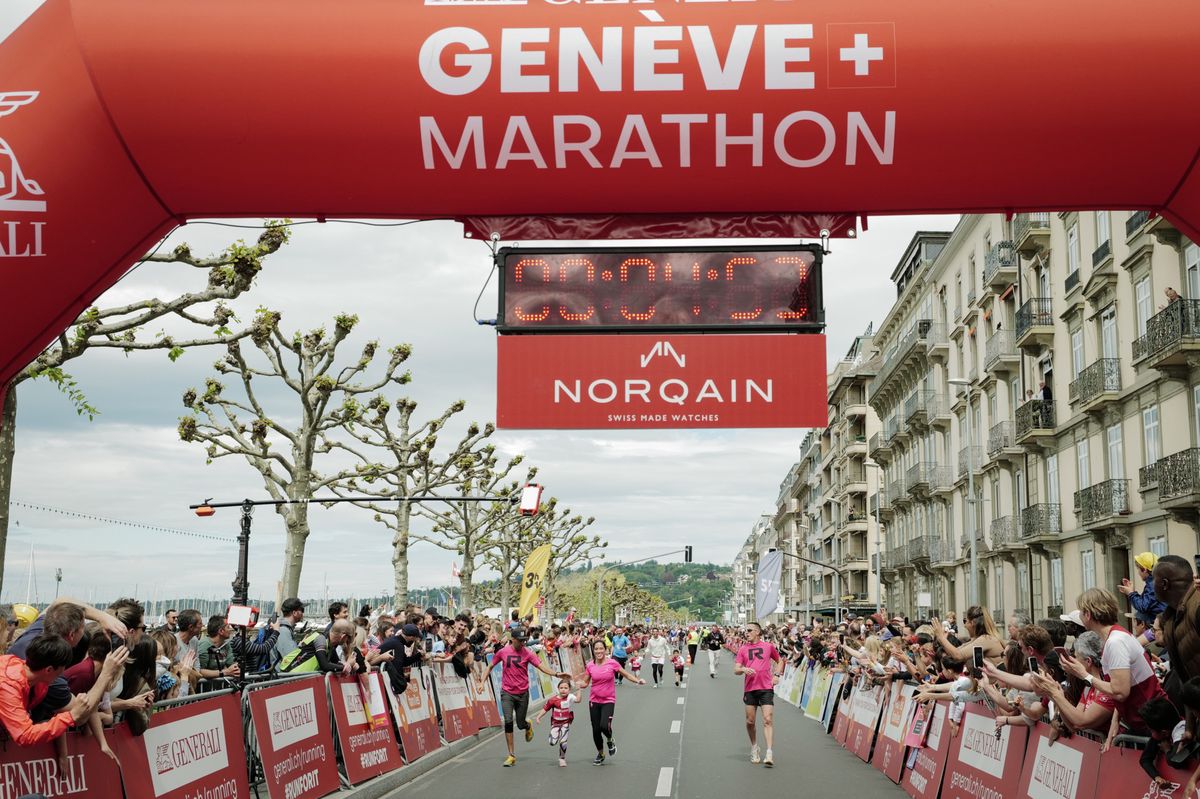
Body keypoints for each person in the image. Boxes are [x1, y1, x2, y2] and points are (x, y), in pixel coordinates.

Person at [1059, 588, 1166, 732]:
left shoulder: (1115, 642)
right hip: (1149, 718)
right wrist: (1116, 721)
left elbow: (1120, 692)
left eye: (1080, 612)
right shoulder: (1115, 637)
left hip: (1153, 722)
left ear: (1088, 614)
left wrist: (1084, 675)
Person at [476, 627, 568, 767]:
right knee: (507, 721)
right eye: (520, 641)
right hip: (507, 692)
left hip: (522, 693)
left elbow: (541, 666)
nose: (523, 643)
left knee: (520, 724)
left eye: (525, 641)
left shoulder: (528, 653)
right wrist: (482, 682)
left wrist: (556, 674)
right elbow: (489, 667)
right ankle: (511, 755)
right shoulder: (503, 652)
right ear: (513, 640)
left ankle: (527, 725)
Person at [0, 635, 113, 746]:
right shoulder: (8, 687)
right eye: (62, 668)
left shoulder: (33, 676)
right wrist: (71, 716)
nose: (63, 672)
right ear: (49, 670)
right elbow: (24, 735)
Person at [574, 638, 644, 766]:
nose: (599, 651)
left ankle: (610, 739)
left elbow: (626, 674)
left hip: (608, 700)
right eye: (596, 649)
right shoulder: (590, 665)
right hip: (594, 701)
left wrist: (637, 680)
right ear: (593, 651)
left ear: (605, 650)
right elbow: (585, 682)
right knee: (595, 730)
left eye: (601, 648)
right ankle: (601, 754)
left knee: (604, 725)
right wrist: (579, 684)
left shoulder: (612, 663)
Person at [734, 622, 782, 767]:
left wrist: (777, 674)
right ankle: (754, 747)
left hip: (766, 687)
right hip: (750, 688)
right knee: (750, 721)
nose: (746, 633)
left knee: (768, 719)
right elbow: (736, 669)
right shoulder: (743, 649)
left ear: (757, 632)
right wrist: (743, 670)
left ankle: (769, 752)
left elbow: (780, 661)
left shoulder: (768, 647)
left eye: (749, 630)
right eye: (745, 630)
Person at [1154, 555, 1200, 688]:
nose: (1152, 584)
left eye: (1154, 579)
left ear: (1164, 584)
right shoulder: (1172, 613)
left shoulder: (1197, 608)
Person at [930, 606, 1004, 665]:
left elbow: (958, 656)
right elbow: (954, 653)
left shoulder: (986, 639)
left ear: (972, 623)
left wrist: (941, 638)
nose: (965, 625)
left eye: (965, 621)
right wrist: (943, 640)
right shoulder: (979, 639)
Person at [534, 678, 582, 767]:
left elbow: (578, 700)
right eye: (561, 688)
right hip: (555, 723)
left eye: (566, 688)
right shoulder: (552, 700)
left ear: (569, 689)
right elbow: (545, 709)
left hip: (565, 722)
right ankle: (555, 735)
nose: (563, 690)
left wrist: (579, 689)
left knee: (563, 742)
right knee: (552, 742)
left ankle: (562, 758)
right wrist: (538, 717)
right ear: (558, 689)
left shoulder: (570, 697)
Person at [1121, 552, 1168, 625]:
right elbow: (1147, 602)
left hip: (1162, 625)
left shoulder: (1153, 584)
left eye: (1138, 569)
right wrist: (1132, 591)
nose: (1138, 573)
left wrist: (1130, 593)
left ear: (1144, 570)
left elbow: (1143, 607)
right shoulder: (1156, 581)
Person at [195, 615, 241, 681]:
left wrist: (236, 669)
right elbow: (199, 671)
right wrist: (226, 672)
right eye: (228, 627)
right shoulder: (204, 645)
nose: (231, 629)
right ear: (221, 631)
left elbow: (231, 663)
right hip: (205, 689)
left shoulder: (226, 645)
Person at [275, 597, 305, 662]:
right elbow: (292, 657)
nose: (303, 613)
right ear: (294, 613)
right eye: (302, 610)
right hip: (280, 671)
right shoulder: (283, 630)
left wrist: (299, 645)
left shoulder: (285, 628)